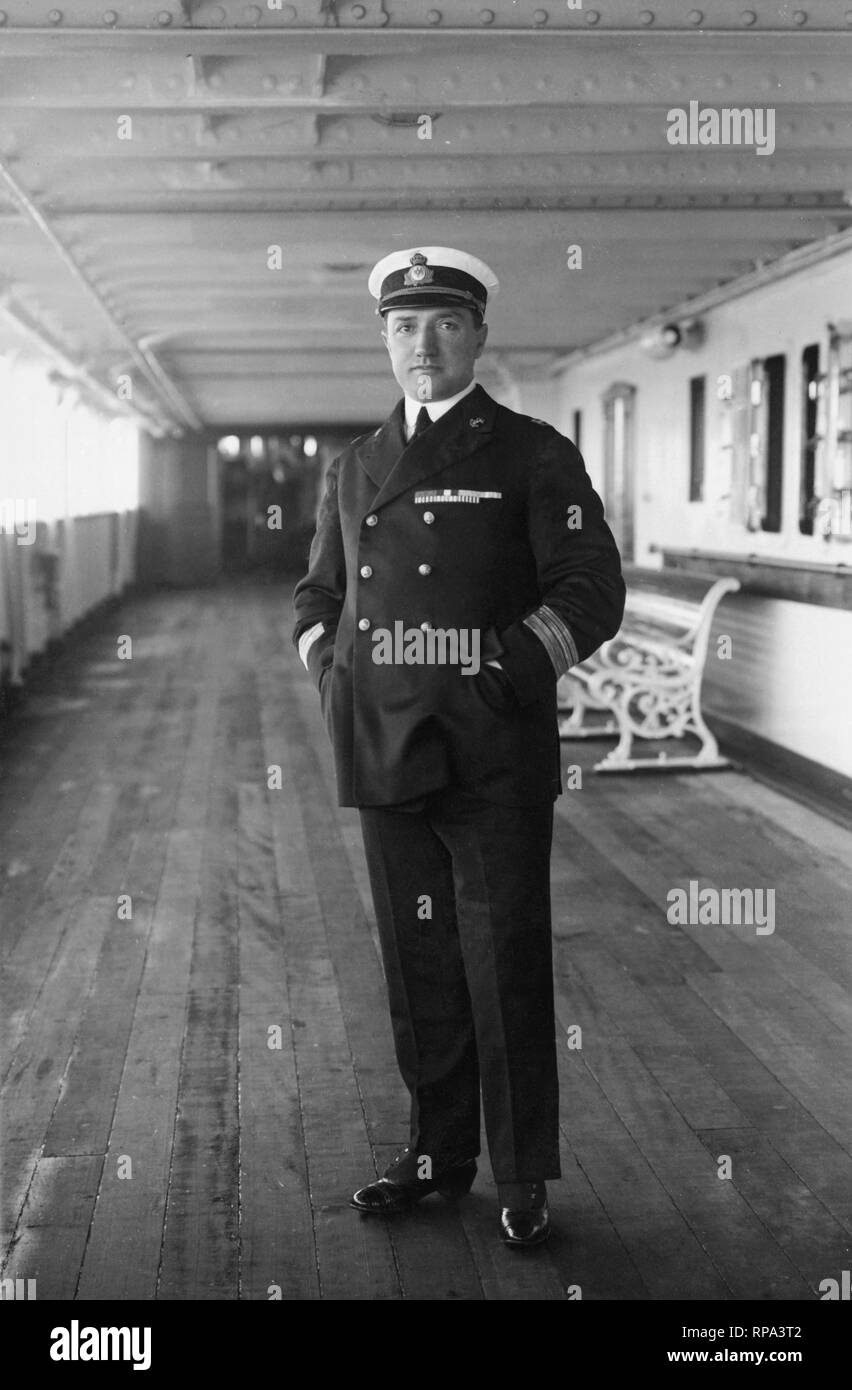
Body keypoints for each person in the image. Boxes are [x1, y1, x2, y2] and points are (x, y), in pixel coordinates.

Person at [293, 246, 624, 1247]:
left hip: (491, 752)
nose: (420, 344)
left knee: (504, 957)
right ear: (384, 340)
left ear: (478, 334)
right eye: (402, 326)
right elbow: (318, 595)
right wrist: (332, 673)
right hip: (387, 746)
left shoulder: (532, 453)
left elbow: (590, 587)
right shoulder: (354, 467)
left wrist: (502, 675)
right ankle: (437, 1156)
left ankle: (522, 1173)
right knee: (420, 960)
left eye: (442, 323)